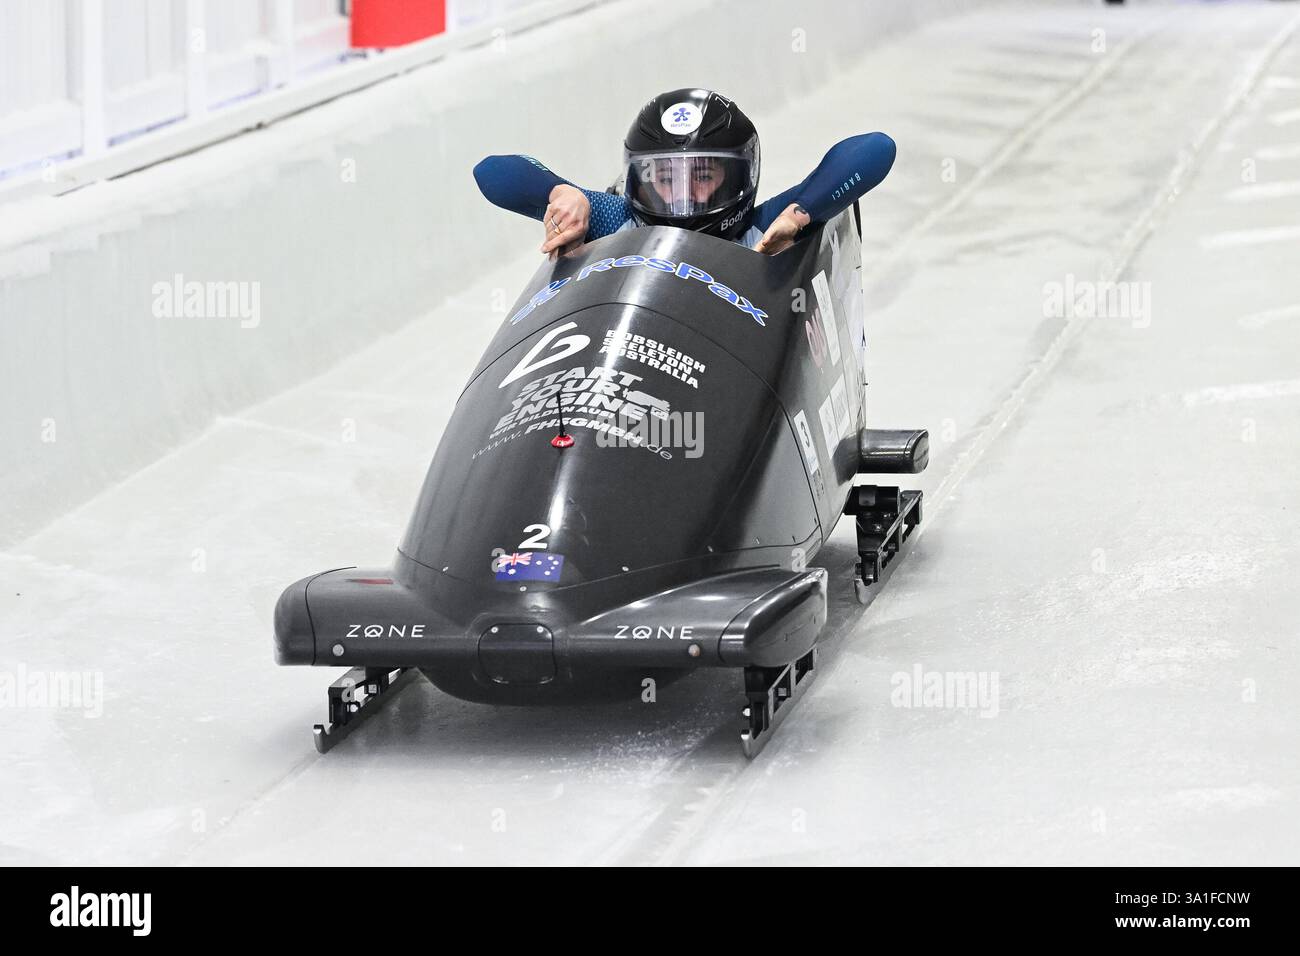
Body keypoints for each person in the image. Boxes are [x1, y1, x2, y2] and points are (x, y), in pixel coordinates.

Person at [473, 88, 896, 257]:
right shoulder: (612, 219)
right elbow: (492, 172)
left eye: (703, 176)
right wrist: (562, 193)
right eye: (665, 178)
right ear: (640, 179)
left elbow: (875, 149)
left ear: (736, 180)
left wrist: (800, 214)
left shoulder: (764, 232)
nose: (683, 195)